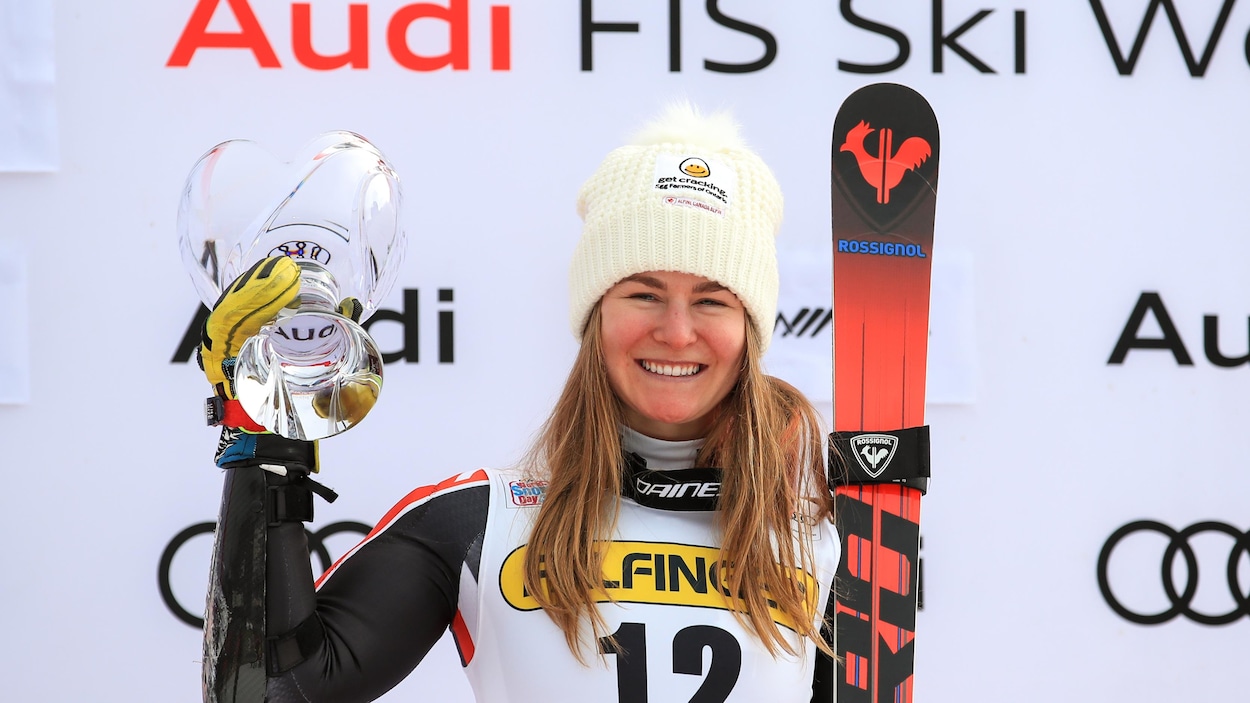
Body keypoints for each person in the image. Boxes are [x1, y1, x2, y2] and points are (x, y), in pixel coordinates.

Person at [198, 102, 841, 703]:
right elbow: (274, 693)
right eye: (643, 294)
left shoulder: (822, 540)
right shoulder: (482, 519)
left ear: (749, 330)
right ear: (594, 318)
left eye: (712, 299)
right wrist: (262, 440)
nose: (676, 331)